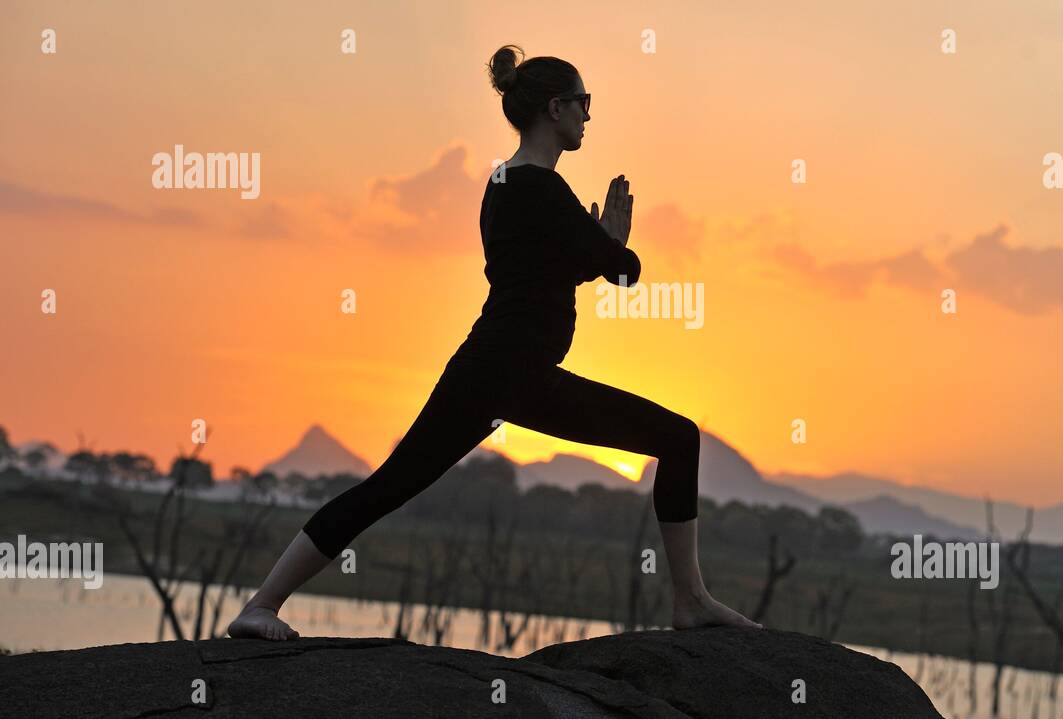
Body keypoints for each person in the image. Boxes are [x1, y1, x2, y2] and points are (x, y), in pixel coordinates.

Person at [227, 44, 762, 641]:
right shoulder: (541, 190)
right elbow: (624, 272)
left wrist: (599, 248)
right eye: (584, 103)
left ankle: (261, 606)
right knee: (679, 437)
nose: (589, 116)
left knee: (388, 486)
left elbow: (551, 273)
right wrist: (612, 241)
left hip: (492, 371)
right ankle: (690, 602)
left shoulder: (505, 185)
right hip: (514, 372)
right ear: (555, 108)